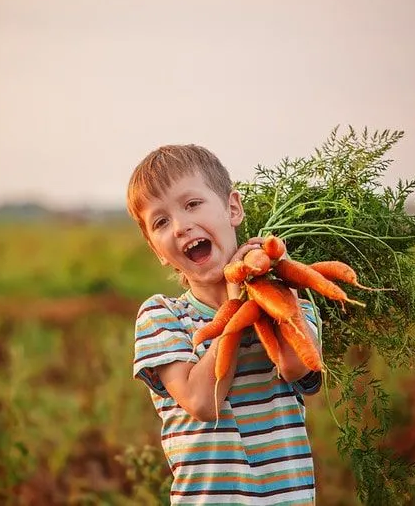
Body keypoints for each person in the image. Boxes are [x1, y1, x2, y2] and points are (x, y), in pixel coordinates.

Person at [126, 143, 322, 505]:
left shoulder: (289, 302)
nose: (181, 226)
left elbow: (296, 364)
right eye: (161, 221)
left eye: (192, 205)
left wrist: (277, 280)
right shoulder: (162, 317)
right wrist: (235, 304)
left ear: (233, 208)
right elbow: (203, 401)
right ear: (156, 248)